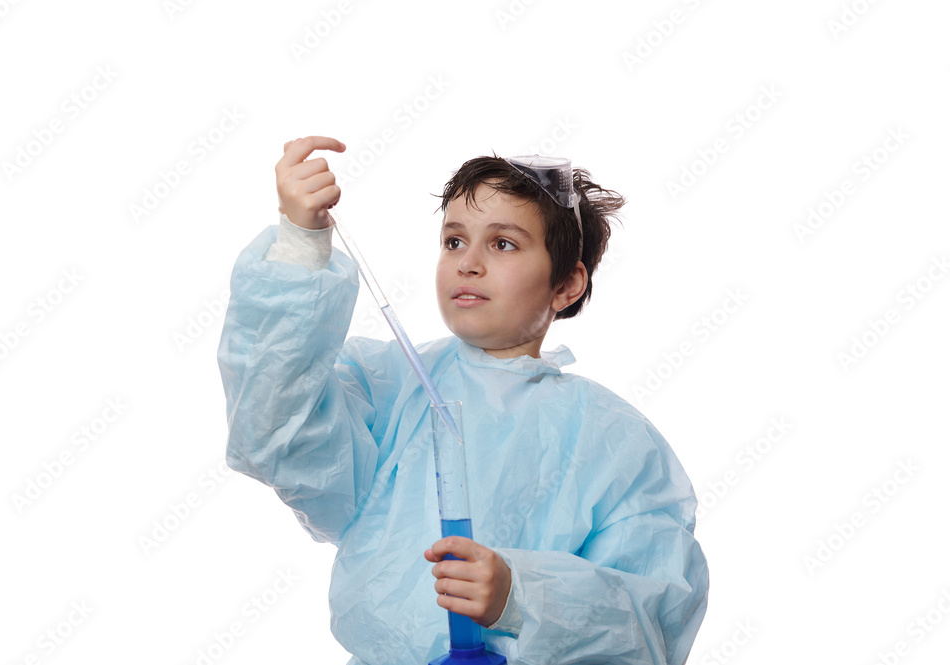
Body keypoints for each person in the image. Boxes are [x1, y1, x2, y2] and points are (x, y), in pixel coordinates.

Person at [217, 135, 708, 664]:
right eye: (454, 240)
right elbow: (271, 431)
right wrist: (300, 244)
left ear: (566, 285)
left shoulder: (615, 442)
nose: (468, 263)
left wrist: (520, 596)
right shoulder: (390, 383)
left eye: (503, 244)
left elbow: (654, 619)